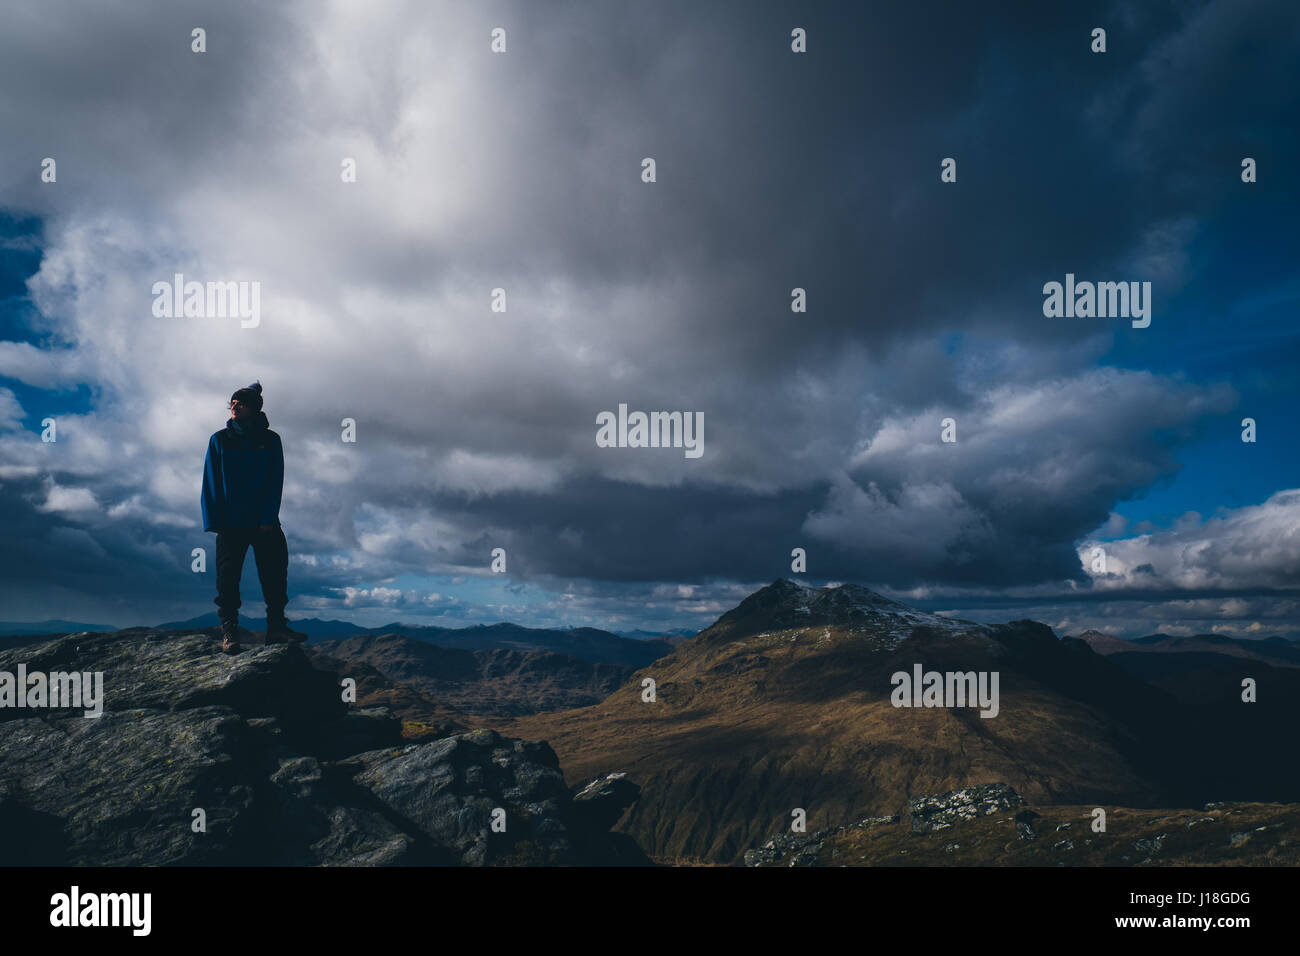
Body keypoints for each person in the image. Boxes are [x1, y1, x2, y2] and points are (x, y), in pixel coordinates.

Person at [201, 381, 306, 653]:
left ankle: (277, 629)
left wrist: (268, 518)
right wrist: (214, 521)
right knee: (227, 579)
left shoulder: (271, 440)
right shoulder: (219, 440)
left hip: (265, 523)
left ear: (254, 408)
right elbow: (211, 482)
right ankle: (230, 632)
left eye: (241, 402)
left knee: (275, 574)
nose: (234, 406)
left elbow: (275, 480)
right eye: (232, 403)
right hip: (230, 524)